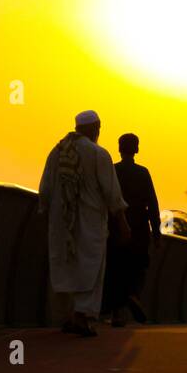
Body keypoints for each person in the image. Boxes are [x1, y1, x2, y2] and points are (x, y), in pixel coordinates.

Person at [38, 110, 130, 337]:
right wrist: (123, 224)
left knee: (66, 265)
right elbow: (112, 194)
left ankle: (69, 316)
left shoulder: (57, 152)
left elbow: (45, 190)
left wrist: (48, 217)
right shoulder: (98, 153)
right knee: (90, 268)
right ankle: (81, 317)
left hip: (62, 223)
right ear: (95, 127)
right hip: (90, 223)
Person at [102, 133, 161, 327]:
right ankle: (133, 295)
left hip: (115, 226)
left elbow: (104, 198)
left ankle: (118, 313)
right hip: (139, 227)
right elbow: (152, 204)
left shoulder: (112, 171)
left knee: (115, 269)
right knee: (139, 266)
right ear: (136, 149)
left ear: (119, 148)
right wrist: (157, 232)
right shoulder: (143, 173)